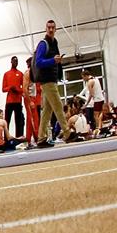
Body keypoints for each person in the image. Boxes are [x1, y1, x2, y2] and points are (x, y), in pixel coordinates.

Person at [33, 19, 70, 147]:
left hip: (52, 79)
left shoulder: (54, 43)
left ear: (56, 29)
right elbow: (38, 62)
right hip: (46, 80)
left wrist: (57, 65)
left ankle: (41, 138)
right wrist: (53, 61)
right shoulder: (43, 44)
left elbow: (54, 60)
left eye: (52, 27)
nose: (50, 29)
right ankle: (67, 133)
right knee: (58, 106)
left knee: (47, 111)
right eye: (48, 27)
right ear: (45, 29)